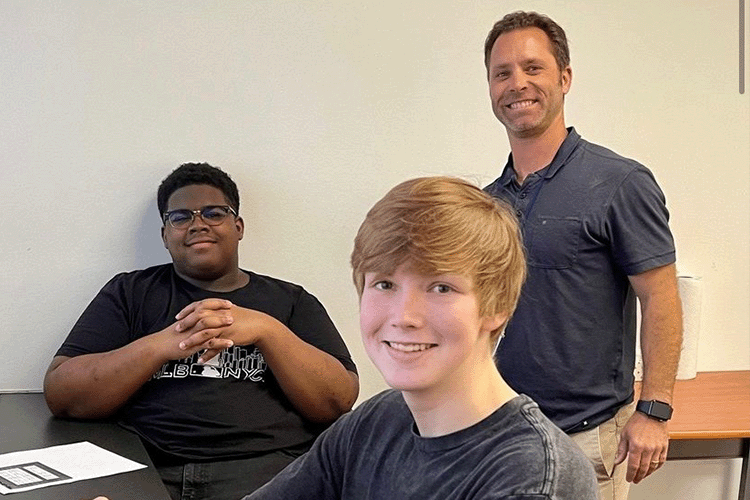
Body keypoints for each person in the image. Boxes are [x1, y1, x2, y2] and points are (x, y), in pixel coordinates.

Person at [243, 176, 597, 499]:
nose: (404, 317)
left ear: (498, 306)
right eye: (385, 284)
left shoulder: (531, 477)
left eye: (441, 287)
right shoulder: (377, 421)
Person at [44, 163, 359, 500]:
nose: (198, 224)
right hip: (146, 465)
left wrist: (268, 331)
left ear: (238, 226)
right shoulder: (130, 293)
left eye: (214, 213)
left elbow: (337, 401)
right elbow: (63, 396)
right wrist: (161, 345)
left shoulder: (290, 300)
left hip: (265, 469)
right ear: (165, 236)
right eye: (181, 217)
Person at [483, 11, 683, 499]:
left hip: (588, 438)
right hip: (503, 433)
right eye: (502, 73)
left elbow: (661, 297)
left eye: (533, 67)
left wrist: (654, 410)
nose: (517, 83)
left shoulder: (620, 183)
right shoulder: (487, 202)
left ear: (565, 78)